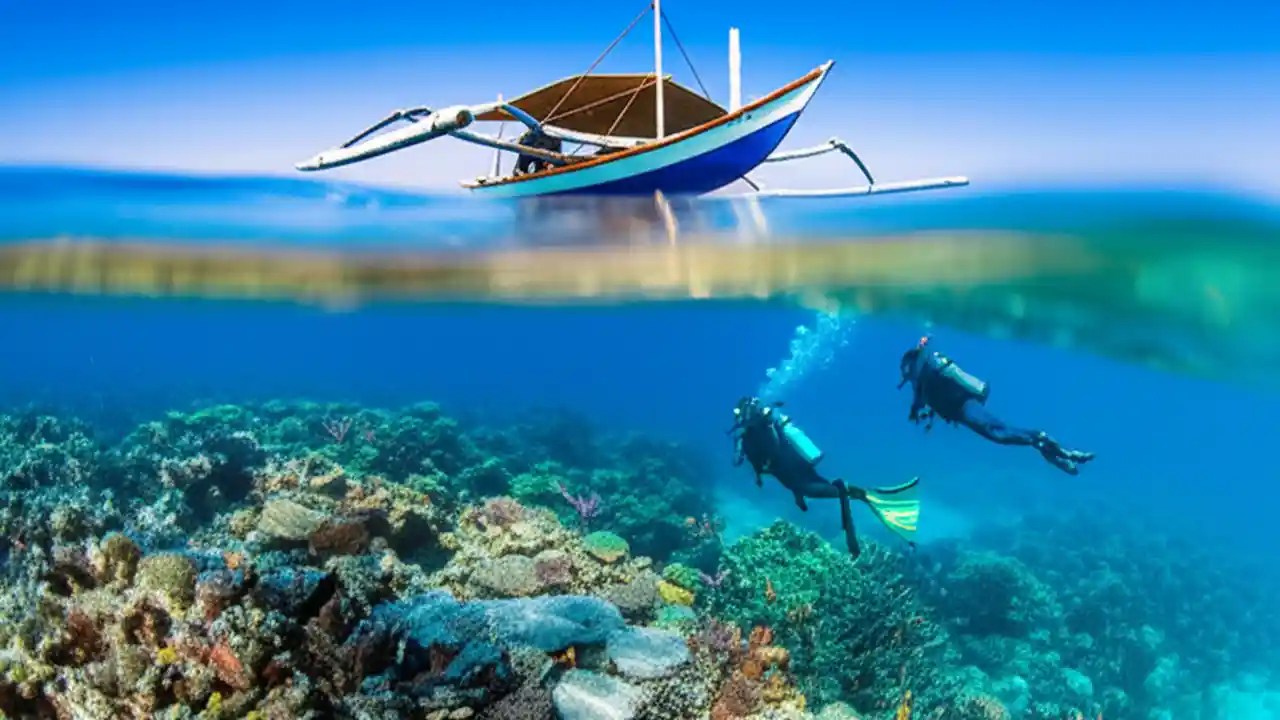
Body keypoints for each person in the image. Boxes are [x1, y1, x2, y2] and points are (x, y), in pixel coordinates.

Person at [728, 396, 920, 557]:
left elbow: (771, 460)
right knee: (818, 488)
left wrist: (764, 470)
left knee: (829, 490)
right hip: (800, 471)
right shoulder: (766, 428)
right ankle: (858, 496)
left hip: (798, 477)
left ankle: (854, 506)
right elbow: (779, 461)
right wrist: (797, 496)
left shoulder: (752, 437)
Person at [898, 336, 1096, 475]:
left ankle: (1044, 441)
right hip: (964, 408)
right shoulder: (924, 378)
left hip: (965, 408)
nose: (908, 379)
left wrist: (915, 409)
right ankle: (1053, 450)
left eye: (907, 373)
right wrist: (914, 410)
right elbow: (920, 399)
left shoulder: (924, 376)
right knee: (1000, 434)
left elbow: (921, 396)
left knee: (999, 433)